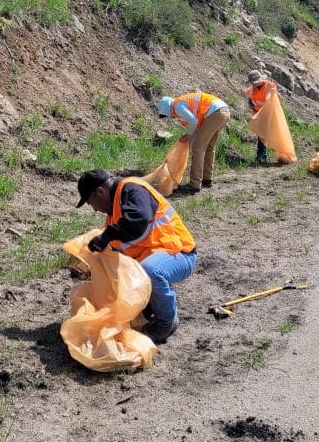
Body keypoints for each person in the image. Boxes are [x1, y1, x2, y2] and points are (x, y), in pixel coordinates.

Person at [76, 169, 196, 343]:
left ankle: (166, 323)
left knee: (151, 271)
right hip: (156, 256)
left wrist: (107, 236)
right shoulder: (113, 212)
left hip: (180, 254)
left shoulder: (132, 189)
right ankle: (152, 306)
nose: (94, 209)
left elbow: (138, 220)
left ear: (101, 192)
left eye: (91, 203)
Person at [157, 90, 230, 194]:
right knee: (209, 147)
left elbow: (193, 122)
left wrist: (189, 135)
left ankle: (194, 184)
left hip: (215, 113)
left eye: (165, 115)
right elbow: (196, 125)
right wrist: (189, 136)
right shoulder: (181, 103)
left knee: (197, 148)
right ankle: (207, 179)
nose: (169, 117)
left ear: (166, 109)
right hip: (223, 111)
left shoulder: (177, 106)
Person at [245, 70, 272, 165]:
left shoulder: (269, 86)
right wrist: (255, 112)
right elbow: (250, 103)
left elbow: (275, 101)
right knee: (261, 134)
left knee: (270, 134)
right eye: (253, 83)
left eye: (255, 83)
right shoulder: (251, 90)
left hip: (270, 113)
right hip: (258, 114)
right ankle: (261, 156)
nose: (254, 85)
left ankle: (280, 153)